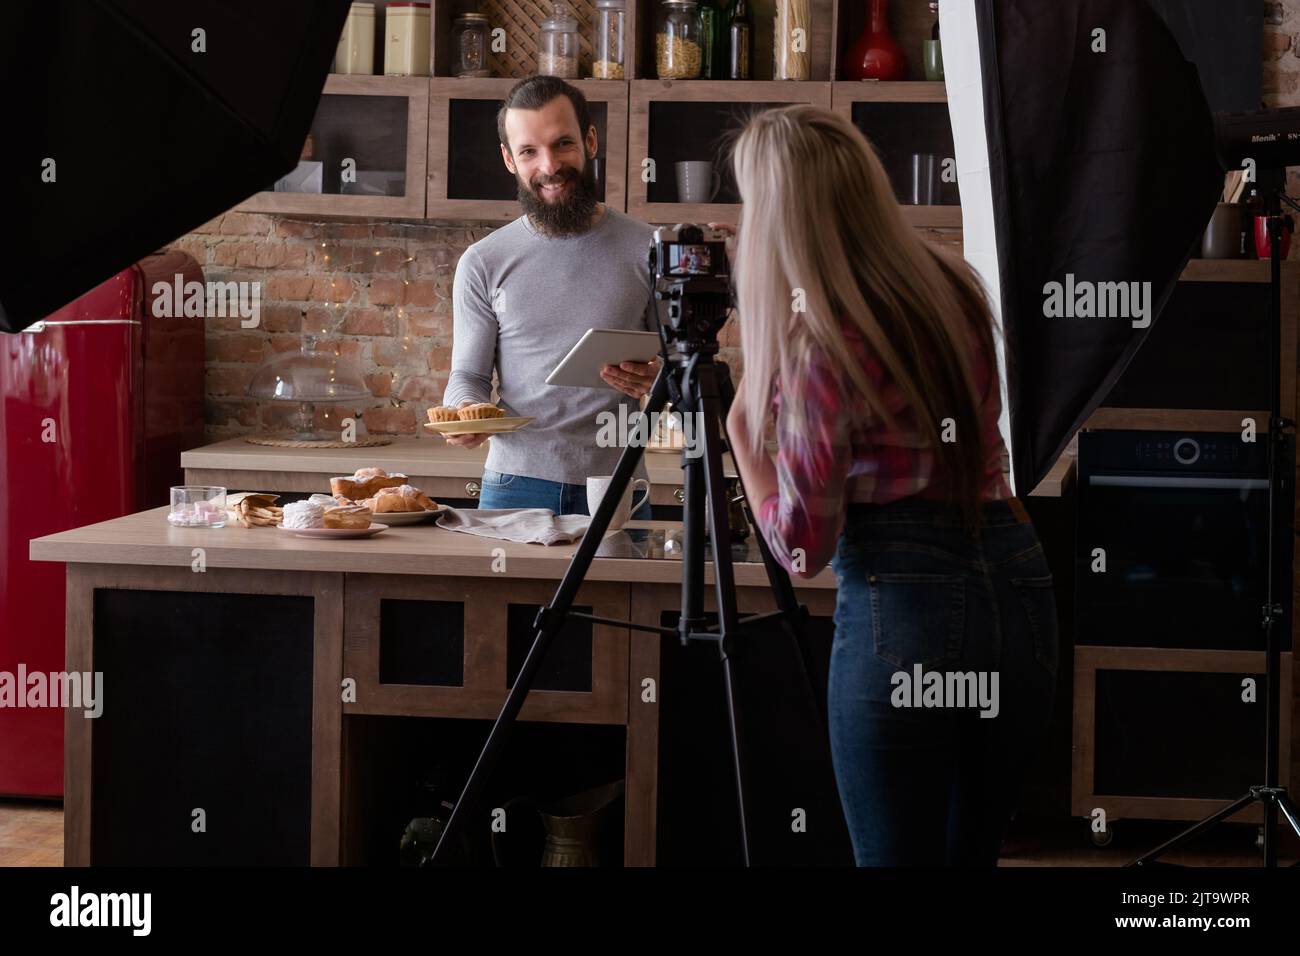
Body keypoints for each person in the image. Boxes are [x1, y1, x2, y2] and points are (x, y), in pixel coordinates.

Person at [723, 105, 1058, 866]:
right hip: (1018, 576)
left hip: (905, 604)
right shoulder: (952, 281)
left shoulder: (816, 347)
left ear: (779, 215)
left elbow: (803, 548)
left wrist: (744, 439)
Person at [442, 76, 658, 518]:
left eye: (562, 144)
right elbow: (467, 373)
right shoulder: (483, 261)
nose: (549, 166)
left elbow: (684, 369)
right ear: (509, 159)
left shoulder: (650, 249)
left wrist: (659, 379)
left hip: (618, 485)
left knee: (622, 592)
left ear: (590, 140)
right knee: (513, 592)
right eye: (529, 151)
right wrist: (464, 410)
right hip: (514, 485)